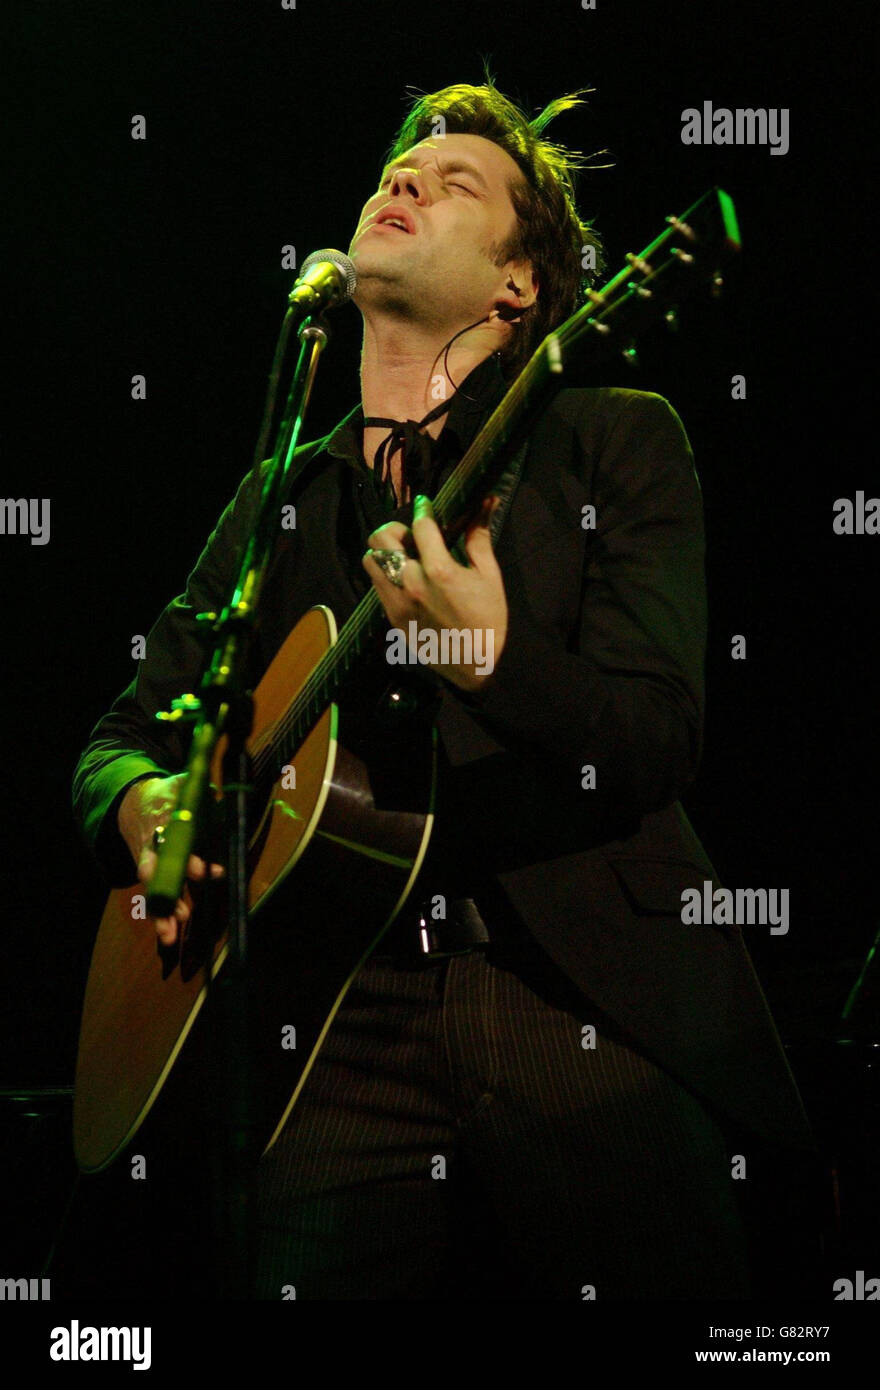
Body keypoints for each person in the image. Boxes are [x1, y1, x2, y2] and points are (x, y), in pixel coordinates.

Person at [73, 79, 816, 1300]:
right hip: (326, 1025)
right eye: (395, 173)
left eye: (453, 180)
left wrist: (495, 663)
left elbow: (654, 736)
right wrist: (142, 803)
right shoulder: (281, 501)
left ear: (519, 286)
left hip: (568, 1000)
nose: (402, 181)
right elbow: (117, 735)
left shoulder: (612, 438)